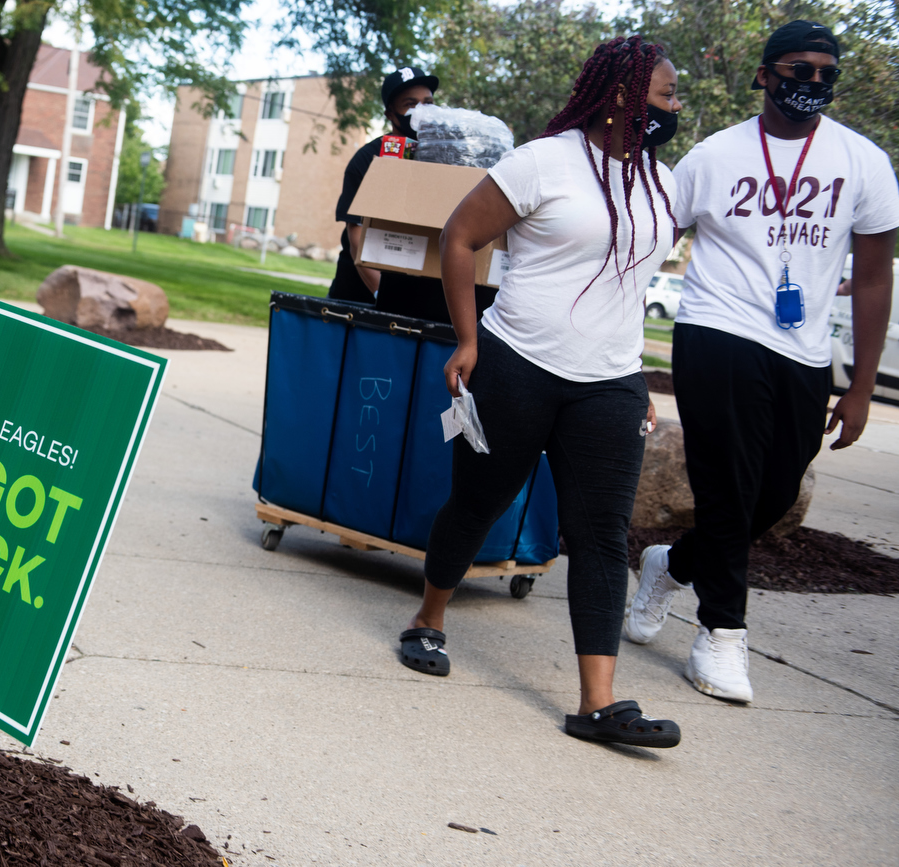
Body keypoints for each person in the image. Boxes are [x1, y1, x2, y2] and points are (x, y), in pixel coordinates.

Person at [397, 36, 685, 748]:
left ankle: (597, 702)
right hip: (517, 363)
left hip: (610, 385)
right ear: (623, 95)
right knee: (478, 500)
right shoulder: (543, 160)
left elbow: (632, 284)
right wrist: (468, 340)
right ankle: (427, 618)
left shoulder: (663, 181)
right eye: (668, 94)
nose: (677, 106)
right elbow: (460, 236)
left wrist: (637, 377)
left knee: (601, 535)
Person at [625, 20, 899, 703]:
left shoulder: (863, 161)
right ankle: (721, 633)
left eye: (824, 74)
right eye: (796, 70)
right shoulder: (714, 157)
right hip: (717, 330)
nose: (811, 84)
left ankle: (670, 564)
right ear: (763, 74)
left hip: (803, 349)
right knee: (730, 483)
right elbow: (648, 244)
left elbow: (872, 277)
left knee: (773, 493)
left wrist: (861, 385)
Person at [328, 66, 452, 322]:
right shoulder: (368, 160)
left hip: (419, 301)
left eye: (428, 102)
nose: (422, 111)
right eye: (410, 104)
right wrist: (381, 296)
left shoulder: (445, 161)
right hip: (361, 299)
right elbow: (357, 238)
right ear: (391, 114)